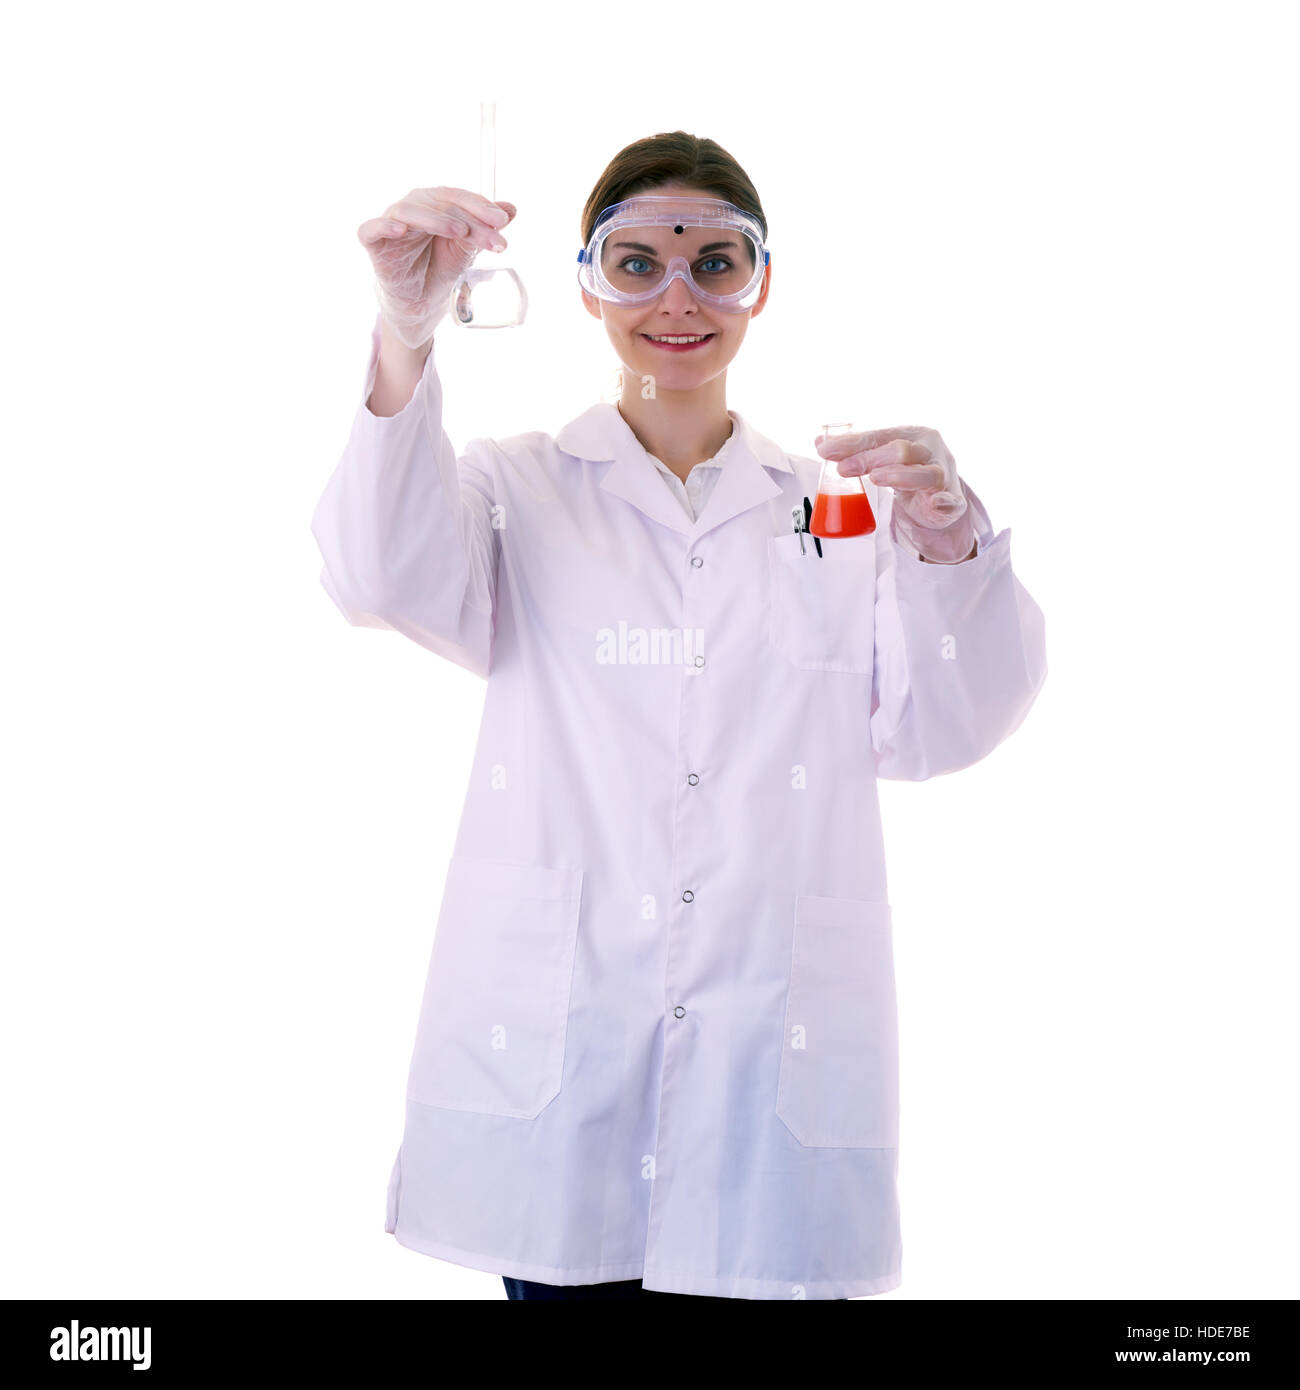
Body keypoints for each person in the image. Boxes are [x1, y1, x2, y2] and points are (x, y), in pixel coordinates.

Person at [310, 130, 1048, 1301]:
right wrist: (404, 339)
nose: (677, 295)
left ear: (760, 286)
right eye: (638, 258)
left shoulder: (834, 510)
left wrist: (949, 540)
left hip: (772, 1084)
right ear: (588, 283)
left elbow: (939, 729)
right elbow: (372, 573)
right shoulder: (523, 486)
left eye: (715, 260)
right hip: (565, 1071)